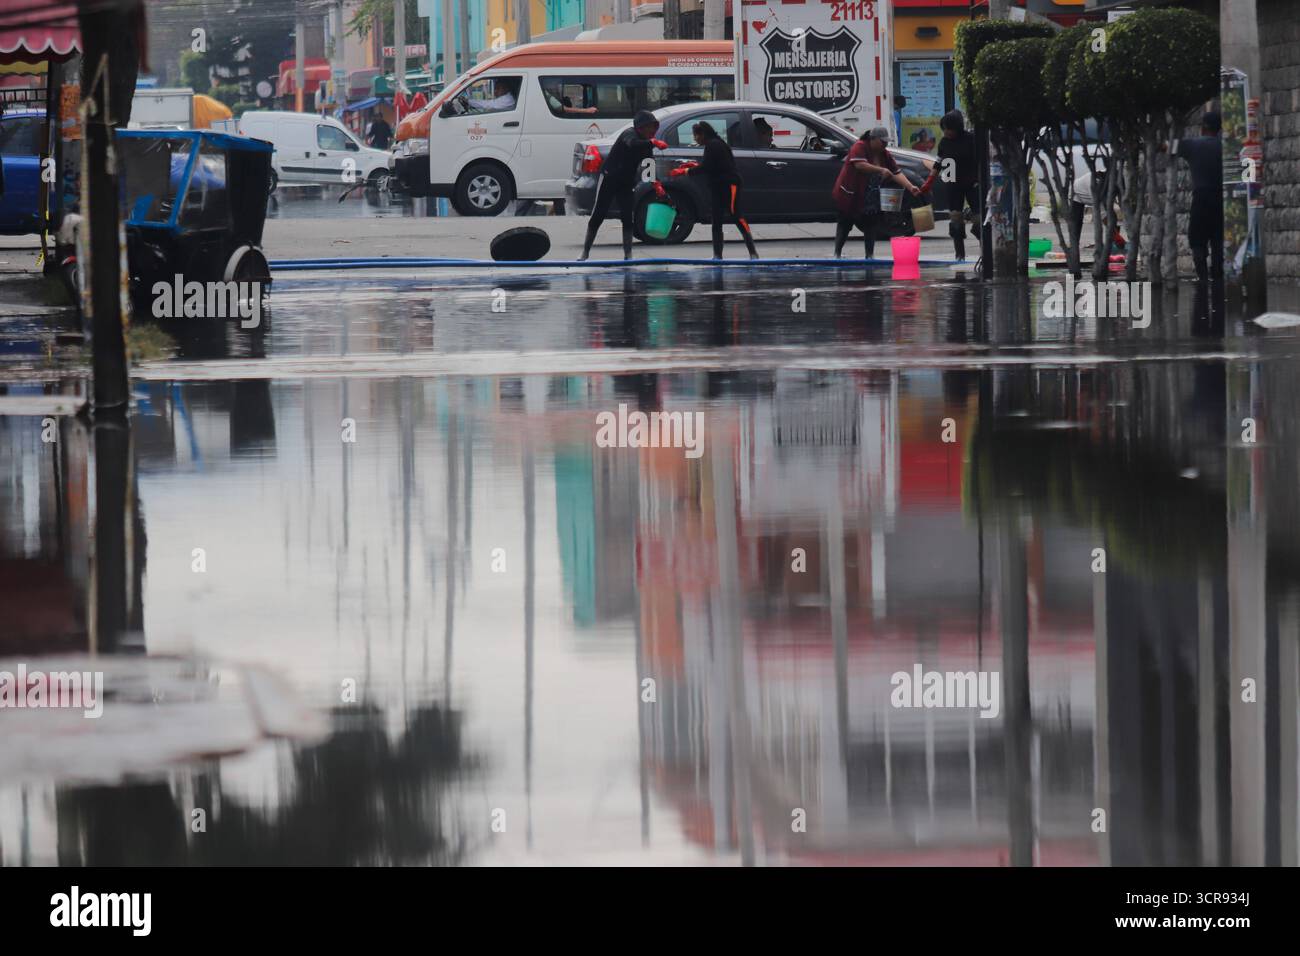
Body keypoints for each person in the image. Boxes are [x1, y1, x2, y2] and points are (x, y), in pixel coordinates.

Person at [580, 110, 668, 261]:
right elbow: (632, 144)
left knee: (628, 217)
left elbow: (649, 165)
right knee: (598, 215)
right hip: (609, 178)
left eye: (655, 127)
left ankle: (628, 255)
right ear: (641, 127)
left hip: (626, 182)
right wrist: (653, 142)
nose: (653, 131)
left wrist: (657, 185)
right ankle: (585, 253)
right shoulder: (629, 134)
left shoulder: (647, 143)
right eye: (650, 127)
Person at [670, 121, 758, 260]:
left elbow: (707, 167)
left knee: (736, 215)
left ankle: (753, 252)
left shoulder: (714, 144)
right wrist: (693, 166)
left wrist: (686, 171)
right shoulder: (712, 144)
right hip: (717, 187)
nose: (695, 139)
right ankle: (717, 255)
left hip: (730, 185)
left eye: (696, 135)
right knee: (716, 220)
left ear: (703, 134)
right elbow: (711, 164)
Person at [831, 127, 920, 259]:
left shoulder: (884, 154)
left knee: (871, 224)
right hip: (851, 193)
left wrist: (910, 186)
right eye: (882, 142)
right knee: (845, 222)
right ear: (872, 139)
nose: (884, 145)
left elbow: (896, 172)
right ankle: (837, 253)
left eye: (886, 143)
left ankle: (870, 255)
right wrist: (881, 170)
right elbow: (860, 165)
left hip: (870, 195)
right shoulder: (859, 146)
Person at [1172, 110, 1223, 281]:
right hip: (1220, 200)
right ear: (1219, 129)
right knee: (1218, 242)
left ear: (1203, 128)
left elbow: (1167, 147)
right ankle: (1217, 277)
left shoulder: (1192, 145)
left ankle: (1202, 278)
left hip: (1200, 199)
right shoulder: (1224, 146)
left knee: (1197, 241)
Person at [936, 110, 978, 260]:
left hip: (972, 182)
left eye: (949, 128)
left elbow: (980, 161)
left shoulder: (971, 139)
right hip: (953, 184)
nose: (946, 132)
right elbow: (939, 162)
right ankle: (959, 254)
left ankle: (985, 252)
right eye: (944, 129)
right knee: (955, 220)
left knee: (979, 219)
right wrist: (930, 181)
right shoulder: (944, 142)